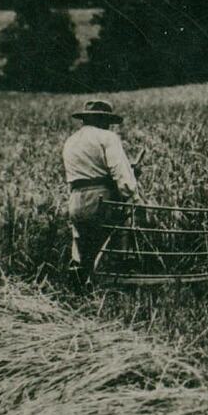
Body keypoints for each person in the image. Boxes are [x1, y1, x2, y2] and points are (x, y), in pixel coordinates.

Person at [62, 99, 140, 282]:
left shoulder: (70, 141)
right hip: (101, 199)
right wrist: (133, 195)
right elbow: (120, 172)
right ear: (103, 120)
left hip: (76, 200)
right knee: (118, 232)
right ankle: (117, 276)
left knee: (83, 245)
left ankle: (80, 282)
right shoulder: (107, 137)